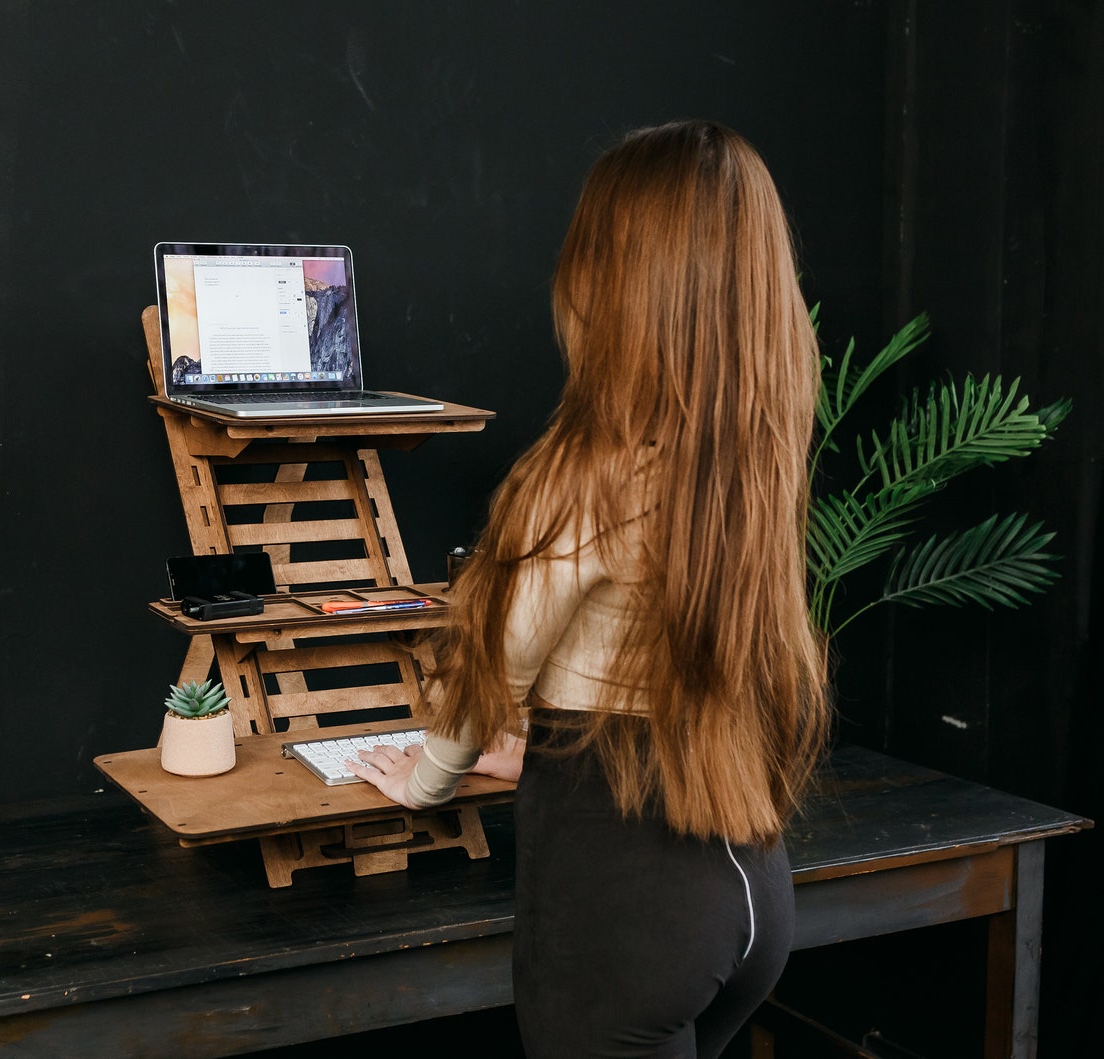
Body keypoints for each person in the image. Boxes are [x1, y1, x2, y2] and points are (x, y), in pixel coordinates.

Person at [349, 120, 830, 1059]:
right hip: (749, 885)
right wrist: (539, 749)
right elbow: (642, 667)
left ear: (613, 282)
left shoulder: (590, 470)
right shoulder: (743, 464)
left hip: (628, 904)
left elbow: (496, 654)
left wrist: (430, 774)